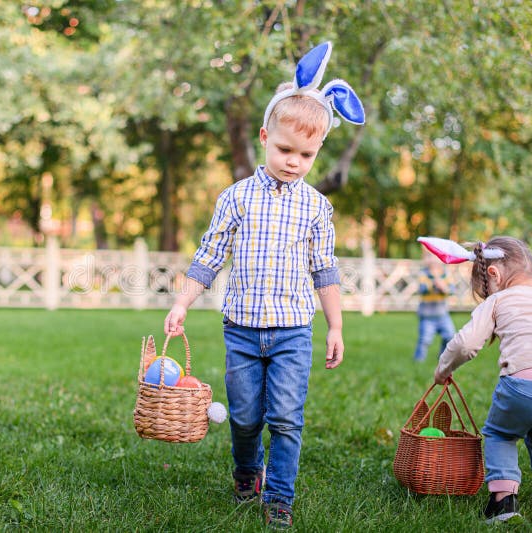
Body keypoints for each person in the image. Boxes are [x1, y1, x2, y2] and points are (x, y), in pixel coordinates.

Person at [164, 42, 364, 529]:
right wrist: (183, 302)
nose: (294, 161)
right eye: (285, 149)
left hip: (295, 330)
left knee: (288, 419)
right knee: (246, 416)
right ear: (264, 136)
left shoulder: (317, 207)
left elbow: (325, 269)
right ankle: (247, 472)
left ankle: (279, 497)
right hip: (244, 330)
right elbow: (210, 256)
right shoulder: (235, 198)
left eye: (306, 154)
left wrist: (335, 326)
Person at [424, 236, 532, 524]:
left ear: (494, 274)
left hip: (527, 387)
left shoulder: (499, 300)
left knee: (500, 433)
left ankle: (503, 502)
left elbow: (466, 344)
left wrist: (443, 370)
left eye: (485, 288)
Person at [412, 249, 457, 362]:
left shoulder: (445, 274)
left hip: (442, 314)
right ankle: (418, 360)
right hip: (427, 315)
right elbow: (422, 289)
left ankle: (442, 357)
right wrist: (433, 284)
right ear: (425, 260)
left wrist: (444, 288)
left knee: (449, 336)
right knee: (425, 340)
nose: (432, 260)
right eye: (429, 257)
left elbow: (451, 290)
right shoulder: (424, 274)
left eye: (435, 257)